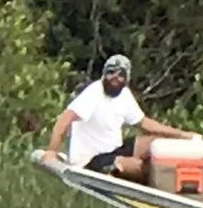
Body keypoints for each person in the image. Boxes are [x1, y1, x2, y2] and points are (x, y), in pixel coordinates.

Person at [42, 55, 187, 179]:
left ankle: (179, 180)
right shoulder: (93, 93)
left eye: (121, 74)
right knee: (137, 167)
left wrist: (181, 135)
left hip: (114, 149)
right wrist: (51, 151)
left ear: (126, 79)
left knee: (156, 144)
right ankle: (151, 184)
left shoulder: (124, 94)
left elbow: (143, 123)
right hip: (91, 159)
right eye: (111, 72)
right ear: (104, 74)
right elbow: (64, 120)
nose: (115, 78)